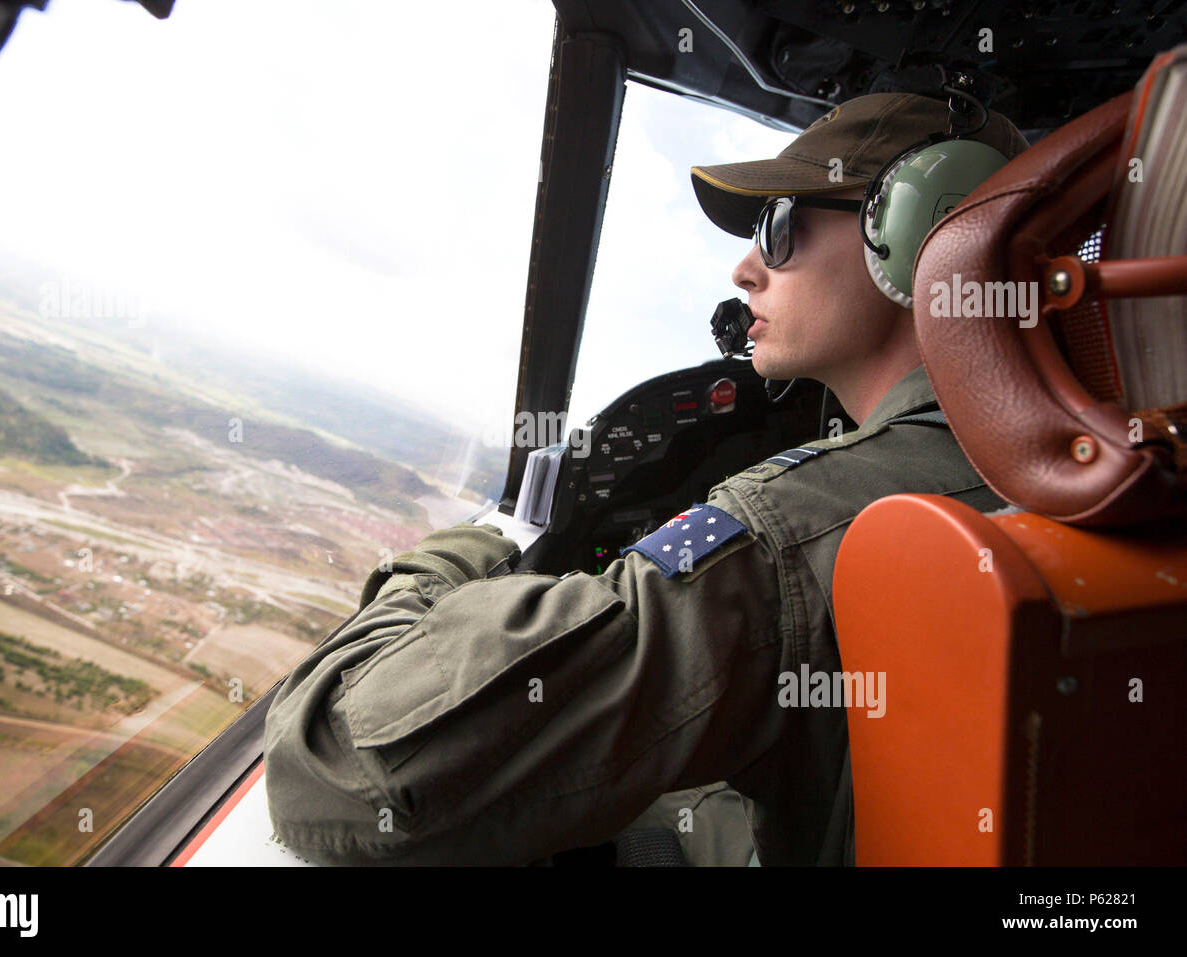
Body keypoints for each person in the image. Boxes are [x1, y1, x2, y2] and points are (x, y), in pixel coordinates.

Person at [262, 91, 1030, 866]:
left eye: (780, 225)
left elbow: (334, 767)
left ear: (919, 234)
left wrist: (466, 554)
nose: (744, 268)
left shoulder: (802, 526)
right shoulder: (1082, 469)